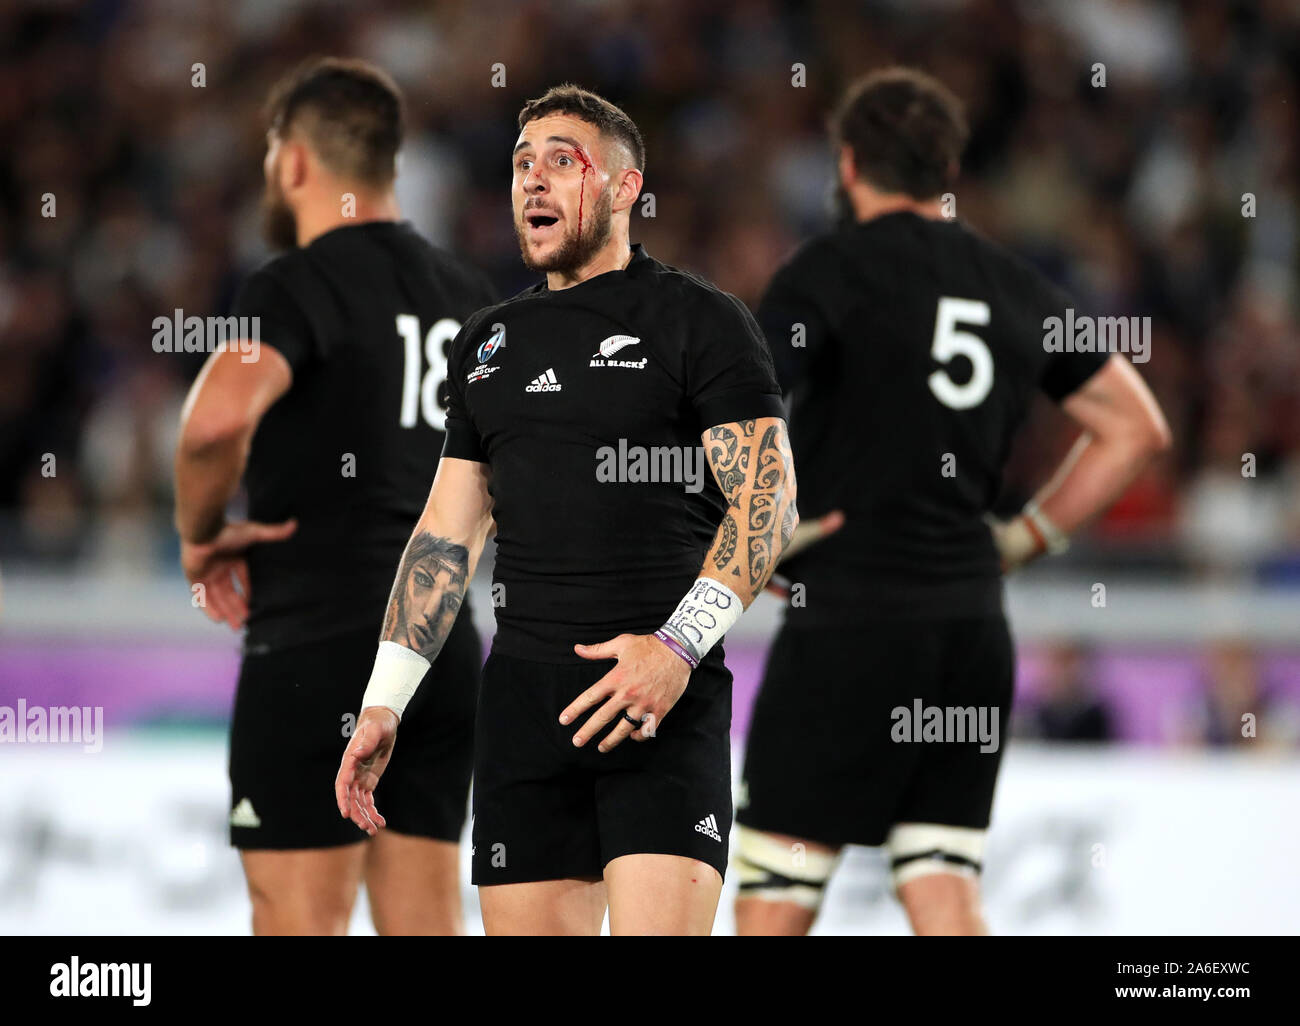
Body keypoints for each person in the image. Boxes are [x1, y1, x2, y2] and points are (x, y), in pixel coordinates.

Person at [334, 84, 798, 936]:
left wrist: (675, 650)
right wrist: (384, 699)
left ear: (626, 189)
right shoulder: (486, 343)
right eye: (521, 164)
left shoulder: (702, 321)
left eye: (561, 162)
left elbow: (768, 503)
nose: (533, 182)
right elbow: (445, 536)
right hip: (522, 715)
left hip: (658, 706)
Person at [733, 67, 1171, 936]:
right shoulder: (1013, 285)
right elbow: (1138, 427)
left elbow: (738, 418)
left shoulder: (822, 272)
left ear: (849, 163)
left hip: (849, 617)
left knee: (775, 888)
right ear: (948, 171)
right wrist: (1025, 537)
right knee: (939, 881)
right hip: (969, 625)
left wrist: (753, 544)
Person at [174, 58, 496, 935]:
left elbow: (212, 425)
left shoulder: (294, 283)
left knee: (296, 923)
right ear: (390, 163)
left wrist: (200, 533)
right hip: (438, 648)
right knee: (424, 923)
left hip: (316, 638)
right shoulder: (471, 296)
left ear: (294, 163)